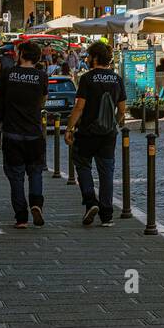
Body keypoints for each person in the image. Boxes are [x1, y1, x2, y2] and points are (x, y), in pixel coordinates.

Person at [0, 40, 49, 228]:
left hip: (13, 132)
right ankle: (36, 204)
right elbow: (42, 102)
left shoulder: (9, 73)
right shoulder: (41, 76)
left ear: (21, 54)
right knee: (36, 171)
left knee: (16, 175)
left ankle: (21, 217)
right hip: (34, 132)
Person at [66, 41, 126, 228]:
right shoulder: (117, 79)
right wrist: (113, 123)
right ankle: (107, 215)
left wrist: (69, 128)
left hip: (87, 132)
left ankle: (91, 202)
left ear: (95, 58)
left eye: (89, 56)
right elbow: (122, 109)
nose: (87, 58)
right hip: (108, 134)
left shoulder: (87, 79)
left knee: (83, 165)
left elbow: (79, 107)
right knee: (106, 171)